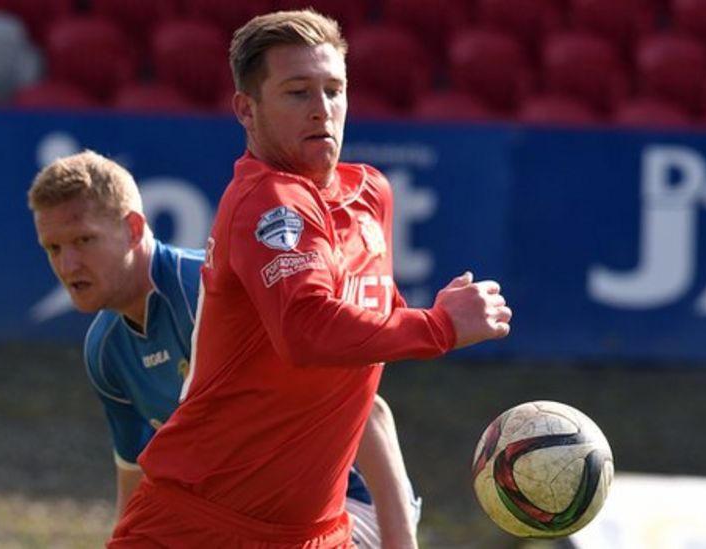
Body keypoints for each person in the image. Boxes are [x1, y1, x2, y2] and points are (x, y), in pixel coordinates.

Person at [109, 9, 512, 549]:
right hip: (201, 525)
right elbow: (307, 330)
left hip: (313, 534)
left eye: (334, 90)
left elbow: (361, 375)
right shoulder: (266, 198)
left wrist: (399, 533)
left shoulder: (371, 196)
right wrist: (439, 325)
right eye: (298, 92)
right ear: (246, 110)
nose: (323, 110)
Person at [28, 150, 425, 547]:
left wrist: (400, 541)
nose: (68, 264)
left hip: (345, 509)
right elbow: (137, 478)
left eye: (84, 240)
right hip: (242, 523)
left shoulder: (208, 292)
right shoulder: (104, 350)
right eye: (53, 248)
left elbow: (368, 410)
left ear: (134, 229)